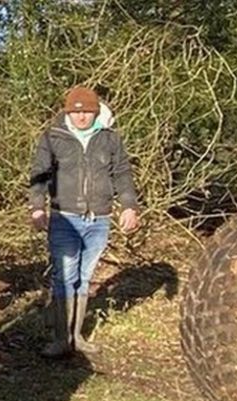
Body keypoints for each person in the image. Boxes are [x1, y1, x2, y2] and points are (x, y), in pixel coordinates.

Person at [28, 86, 140, 357]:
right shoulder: (53, 137)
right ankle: (60, 339)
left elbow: (122, 173)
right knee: (64, 276)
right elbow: (39, 174)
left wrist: (129, 206)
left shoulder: (109, 138)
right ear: (68, 113)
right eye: (76, 113)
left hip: (99, 218)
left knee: (85, 277)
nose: (81, 118)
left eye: (87, 112)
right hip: (64, 217)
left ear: (96, 112)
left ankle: (77, 337)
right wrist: (37, 207)